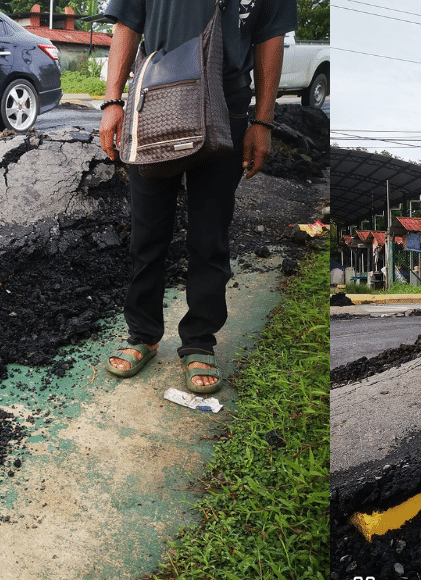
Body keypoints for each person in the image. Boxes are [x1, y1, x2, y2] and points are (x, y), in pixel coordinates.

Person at [98, 0, 297, 394]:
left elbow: (269, 37)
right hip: (154, 97)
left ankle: (199, 339)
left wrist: (263, 121)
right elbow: (127, 23)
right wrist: (112, 101)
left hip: (229, 106)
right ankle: (143, 334)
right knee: (148, 231)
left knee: (211, 235)